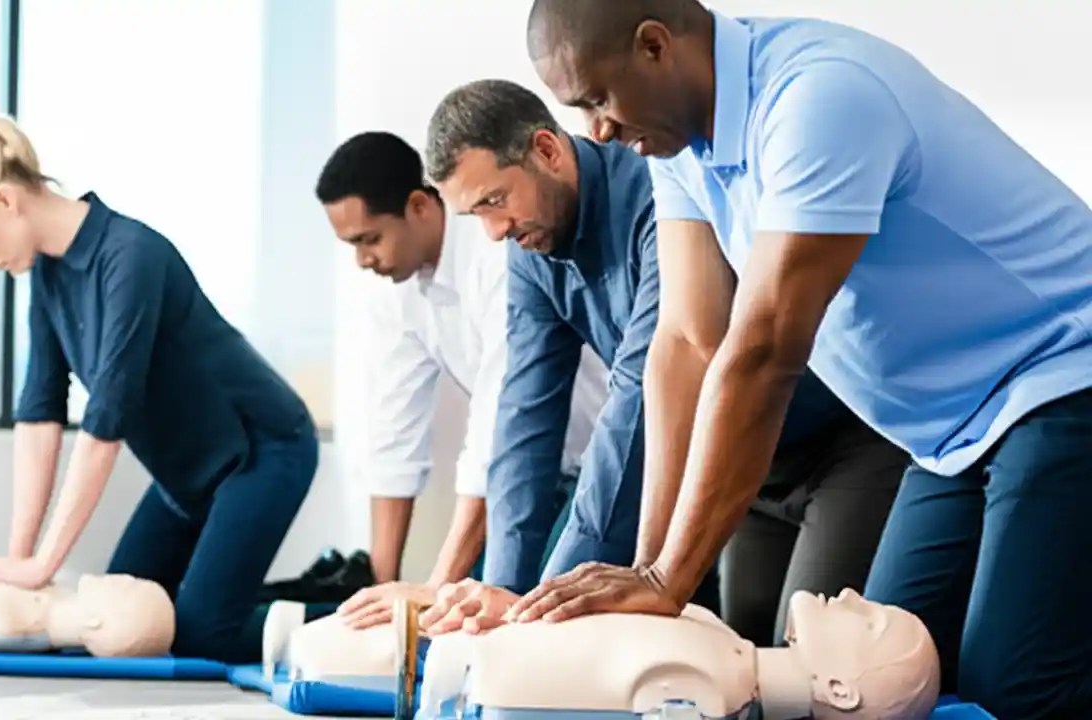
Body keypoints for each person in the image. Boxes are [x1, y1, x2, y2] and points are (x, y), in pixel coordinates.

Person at [511, 1, 1092, 717]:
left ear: (655, 46)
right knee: (875, 687)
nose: (596, 130)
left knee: (1016, 688)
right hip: (949, 438)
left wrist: (670, 578)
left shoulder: (820, 97)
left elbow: (762, 353)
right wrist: (648, 573)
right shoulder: (679, 147)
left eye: (598, 99)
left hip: (1064, 379)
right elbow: (689, 343)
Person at [419, 78, 906, 646]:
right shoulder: (531, 249)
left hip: (843, 448)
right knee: (739, 663)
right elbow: (525, 417)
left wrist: (545, 605)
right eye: (475, 214)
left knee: (809, 668)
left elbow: (639, 399)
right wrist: (502, 588)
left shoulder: (658, 193)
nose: (495, 230)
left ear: (547, 151)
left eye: (496, 200)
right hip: (744, 469)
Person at [0, 117, 319, 664]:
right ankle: (234, 599)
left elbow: (106, 420)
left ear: (4, 200)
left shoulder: (130, 255)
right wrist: (18, 566)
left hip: (264, 450)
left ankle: (354, 612)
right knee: (116, 622)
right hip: (184, 475)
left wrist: (41, 568)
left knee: (201, 635)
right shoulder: (49, 274)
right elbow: (39, 415)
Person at [314, 131, 607, 629]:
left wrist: (435, 586)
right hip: (525, 478)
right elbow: (394, 437)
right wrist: (381, 592)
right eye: (352, 246)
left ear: (419, 206)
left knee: (534, 627)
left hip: (599, 465)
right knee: (454, 622)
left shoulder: (495, 256)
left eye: (370, 239)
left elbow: (497, 424)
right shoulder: (395, 290)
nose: (363, 260)